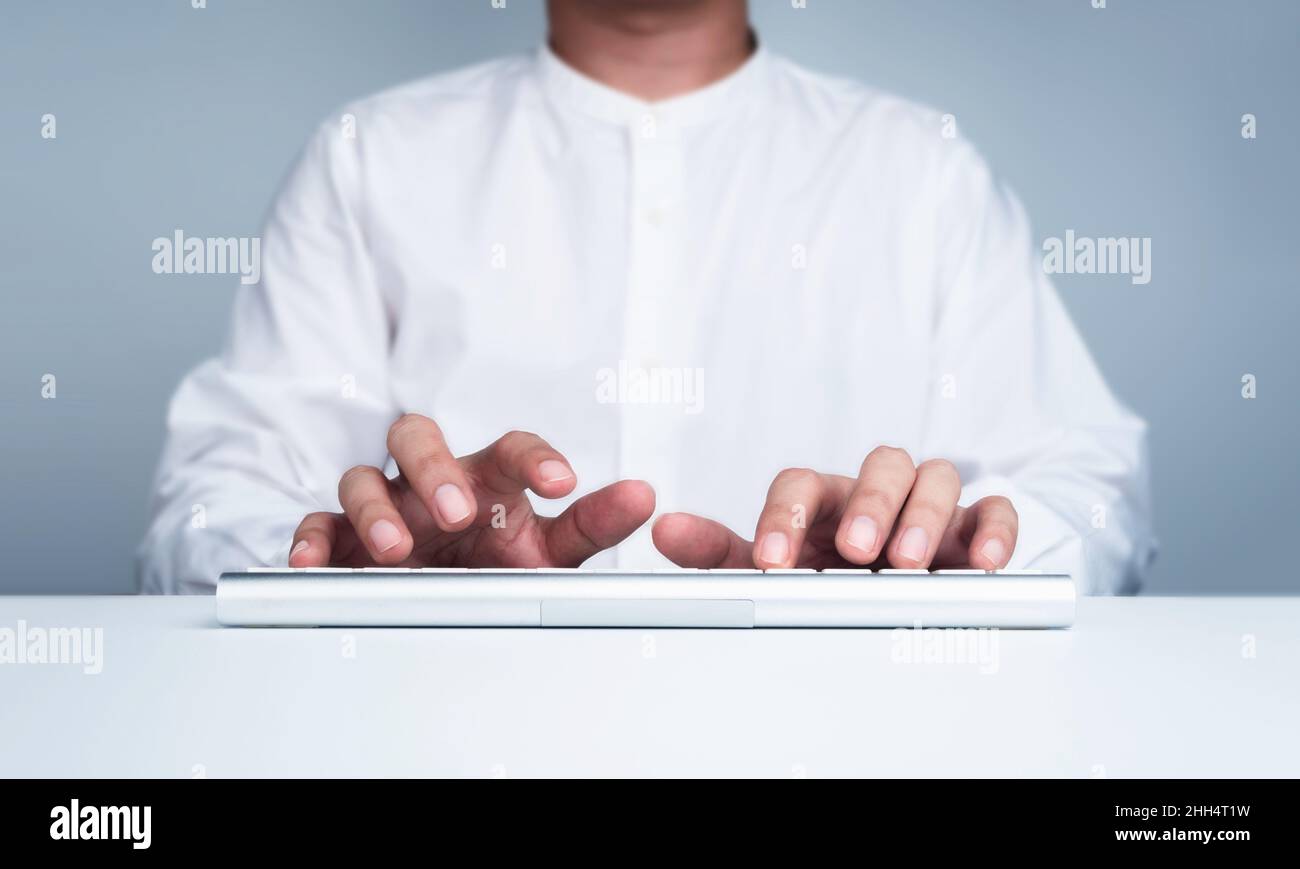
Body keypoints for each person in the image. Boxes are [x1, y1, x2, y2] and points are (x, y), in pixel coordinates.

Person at [138, 0, 1153, 594]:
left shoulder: (921, 172)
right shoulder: (367, 161)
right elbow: (207, 508)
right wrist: (340, 567)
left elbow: (1096, 497)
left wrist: (944, 552)